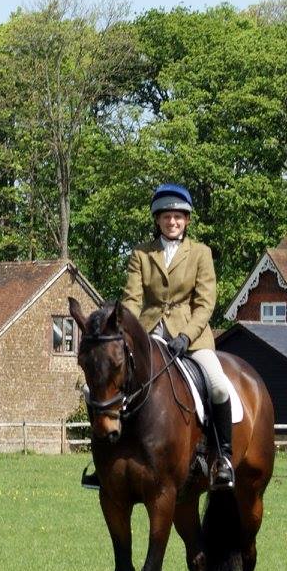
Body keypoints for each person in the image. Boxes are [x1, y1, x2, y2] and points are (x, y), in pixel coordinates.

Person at [84, 183, 235, 491]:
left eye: (178, 217)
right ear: (157, 220)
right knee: (99, 384)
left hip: (191, 336)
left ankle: (223, 458)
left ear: (187, 220)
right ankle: (102, 459)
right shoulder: (141, 254)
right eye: (167, 217)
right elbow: (133, 300)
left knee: (219, 386)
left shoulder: (201, 254)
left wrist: (186, 335)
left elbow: (205, 304)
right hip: (148, 334)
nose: (172, 222)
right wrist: (127, 333)